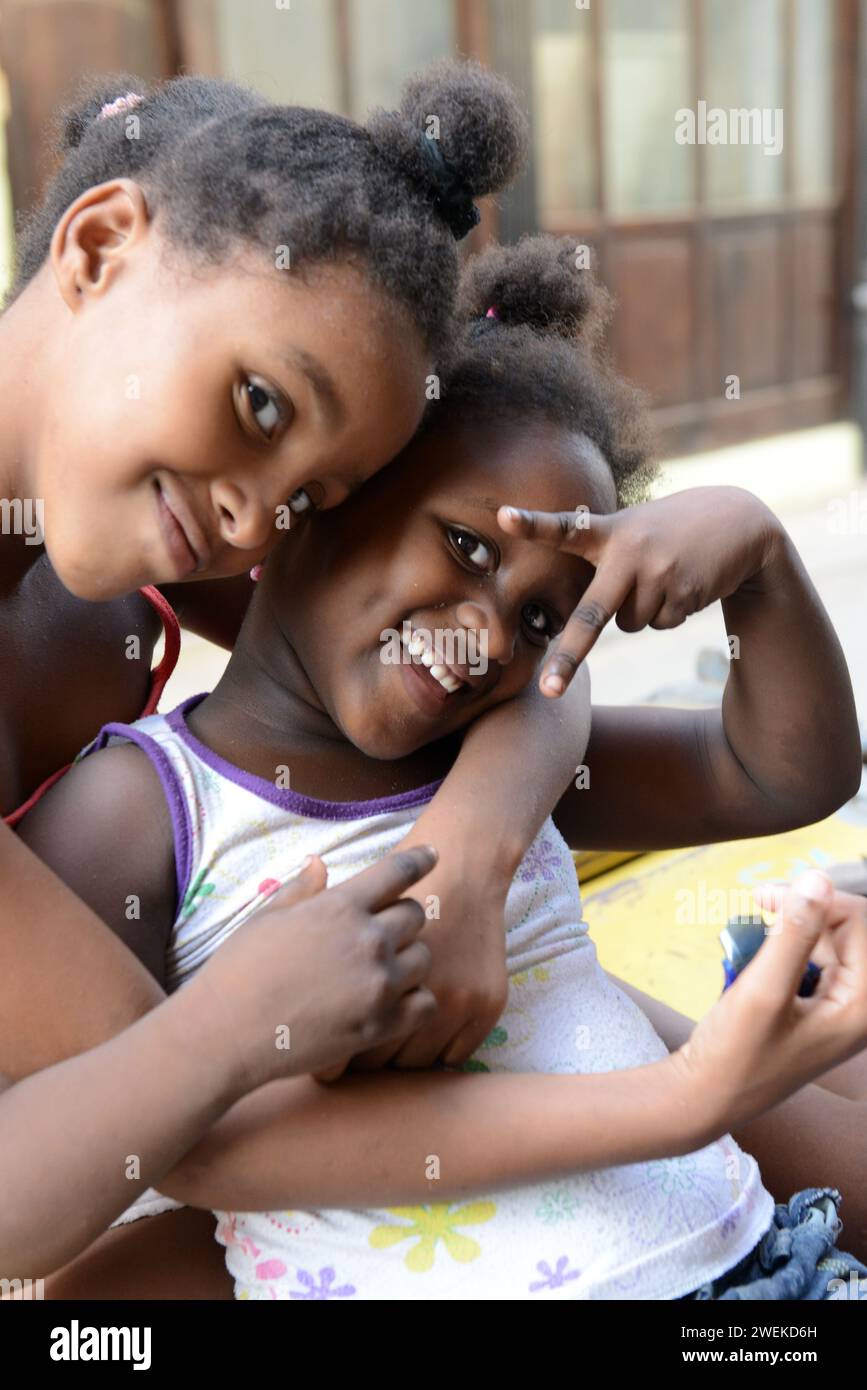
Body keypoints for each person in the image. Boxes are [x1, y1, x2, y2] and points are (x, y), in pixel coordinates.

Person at [23, 238, 867, 1300]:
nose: (489, 633)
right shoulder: (146, 810)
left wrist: (760, 557)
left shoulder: (486, 743)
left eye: (543, 617)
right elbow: (64, 1139)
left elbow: (781, 771)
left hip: (752, 1273)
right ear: (319, 500)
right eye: (467, 548)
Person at [0, 66, 594, 1274]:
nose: (257, 525)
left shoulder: (112, 528)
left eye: (315, 495)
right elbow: (194, 1133)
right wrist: (691, 1098)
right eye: (263, 402)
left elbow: (529, 654)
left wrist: (471, 870)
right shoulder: (134, 503)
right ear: (102, 244)